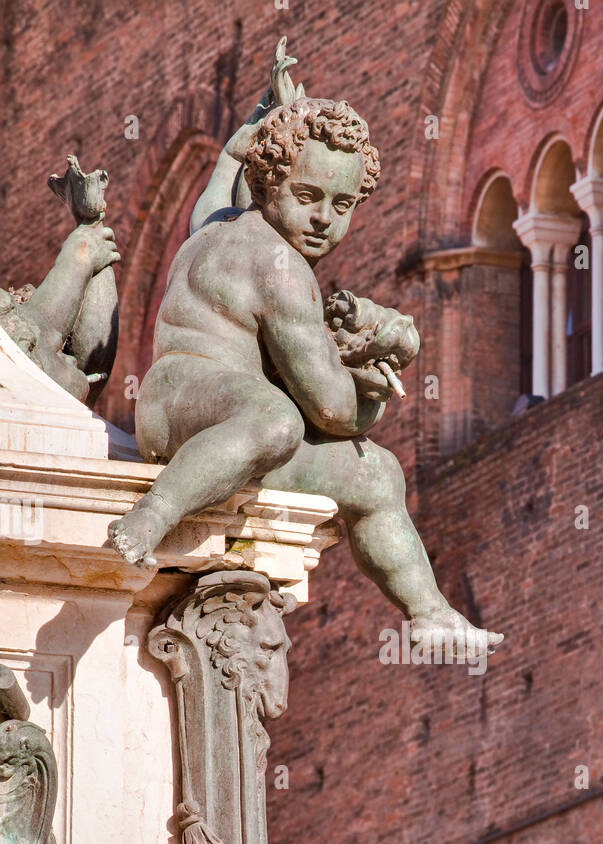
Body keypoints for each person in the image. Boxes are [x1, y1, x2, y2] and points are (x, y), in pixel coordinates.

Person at [108, 49, 502, 658]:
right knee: (278, 418)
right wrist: (371, 385)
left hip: (194, 414)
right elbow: (331, 411)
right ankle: (152, 517)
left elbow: (226, 168)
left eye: (341, 206)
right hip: (197, 408)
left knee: (377, 476)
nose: (322, 219)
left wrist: (267, 118)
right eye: (308, 195)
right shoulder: (281, 266)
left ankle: (430, 614)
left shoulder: (213, 222)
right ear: (271, 183)